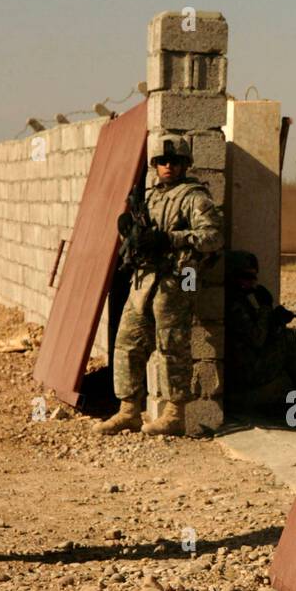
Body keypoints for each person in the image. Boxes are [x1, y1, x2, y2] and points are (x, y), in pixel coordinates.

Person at [96, 134, 223, 437]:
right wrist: (132, 235)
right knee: (127, 344)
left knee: (172, 348)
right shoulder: (149, 197)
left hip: (176, 282)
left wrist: (172, 239)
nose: (168, 166)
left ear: (184, 164)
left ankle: (175, 414)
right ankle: (129, 411)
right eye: (162, 162)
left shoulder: (194, 197)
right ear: (154, 165)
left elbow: (214, 237)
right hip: (144, 281)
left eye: (174, 161)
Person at [223, 250, 296, 417]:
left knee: (289, 336)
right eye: (245, 277)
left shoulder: (240, 299)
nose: (251, 283)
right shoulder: (233, 303)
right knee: (291, 340)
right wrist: (266, 308)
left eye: (253, 278)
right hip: (246, 372)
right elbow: (257, 339)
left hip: (248, 365)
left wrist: (275, 319)